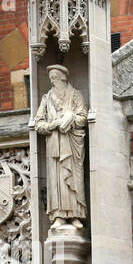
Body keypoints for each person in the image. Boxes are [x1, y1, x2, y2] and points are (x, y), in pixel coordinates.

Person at [34, 64, 88, 230]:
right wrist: (52, 125)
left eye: (55, 78)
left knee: (74, 178)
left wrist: (70, 119)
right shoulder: (46, 98)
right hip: (54, 145)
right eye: (51, 78)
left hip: (71, 143)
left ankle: (75, 214)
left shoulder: (75, 95)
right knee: (56, 180)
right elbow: (38, 124)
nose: (52, 81)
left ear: (63, 78)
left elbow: (83, 117)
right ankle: (58, 215)